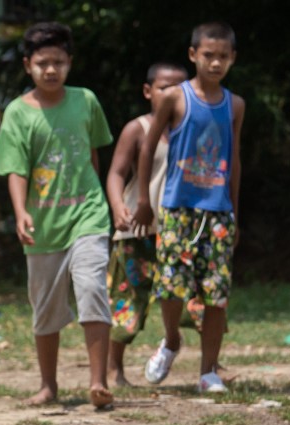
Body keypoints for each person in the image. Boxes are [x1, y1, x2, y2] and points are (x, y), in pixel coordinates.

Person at [0, 21, 114, 409]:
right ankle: (48, 386)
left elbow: (93, 156)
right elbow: (15, 169)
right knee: (45, 307)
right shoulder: (17, 113)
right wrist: (20, 212)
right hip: (42, 225)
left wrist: (97, 197)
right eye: (42, 63)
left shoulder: (86, 101)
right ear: (28, 65)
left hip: (89, 215)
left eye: (58, 62)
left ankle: (99, 383)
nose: (50, 70)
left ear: (69, 62)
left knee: (92, 289)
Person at [132, 21, 245, 393]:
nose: (216, 63)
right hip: (178, 207)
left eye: (223, 56)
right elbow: (148, 147)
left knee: (216, 293)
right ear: (193, 54)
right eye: (208, 55)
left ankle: (208, 371)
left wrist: (234, 212)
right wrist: (144, 200)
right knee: (171, 287)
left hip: (218, 212)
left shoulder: (235, 105)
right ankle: (171, 340)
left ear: (232, 58)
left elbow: (234, 160)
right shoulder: (174, 98)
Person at [105, 62, 194, 387]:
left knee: (197, 298)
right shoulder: (138, 129)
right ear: (147, 91)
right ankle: (113, 368)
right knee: (127, 298)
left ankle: (211, 364)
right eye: (163, 87)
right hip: (138, 230)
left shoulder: (193, 127)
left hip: (181, 228)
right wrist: (118, 207)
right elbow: (116, 173)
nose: (171, 94)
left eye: (179, 88)